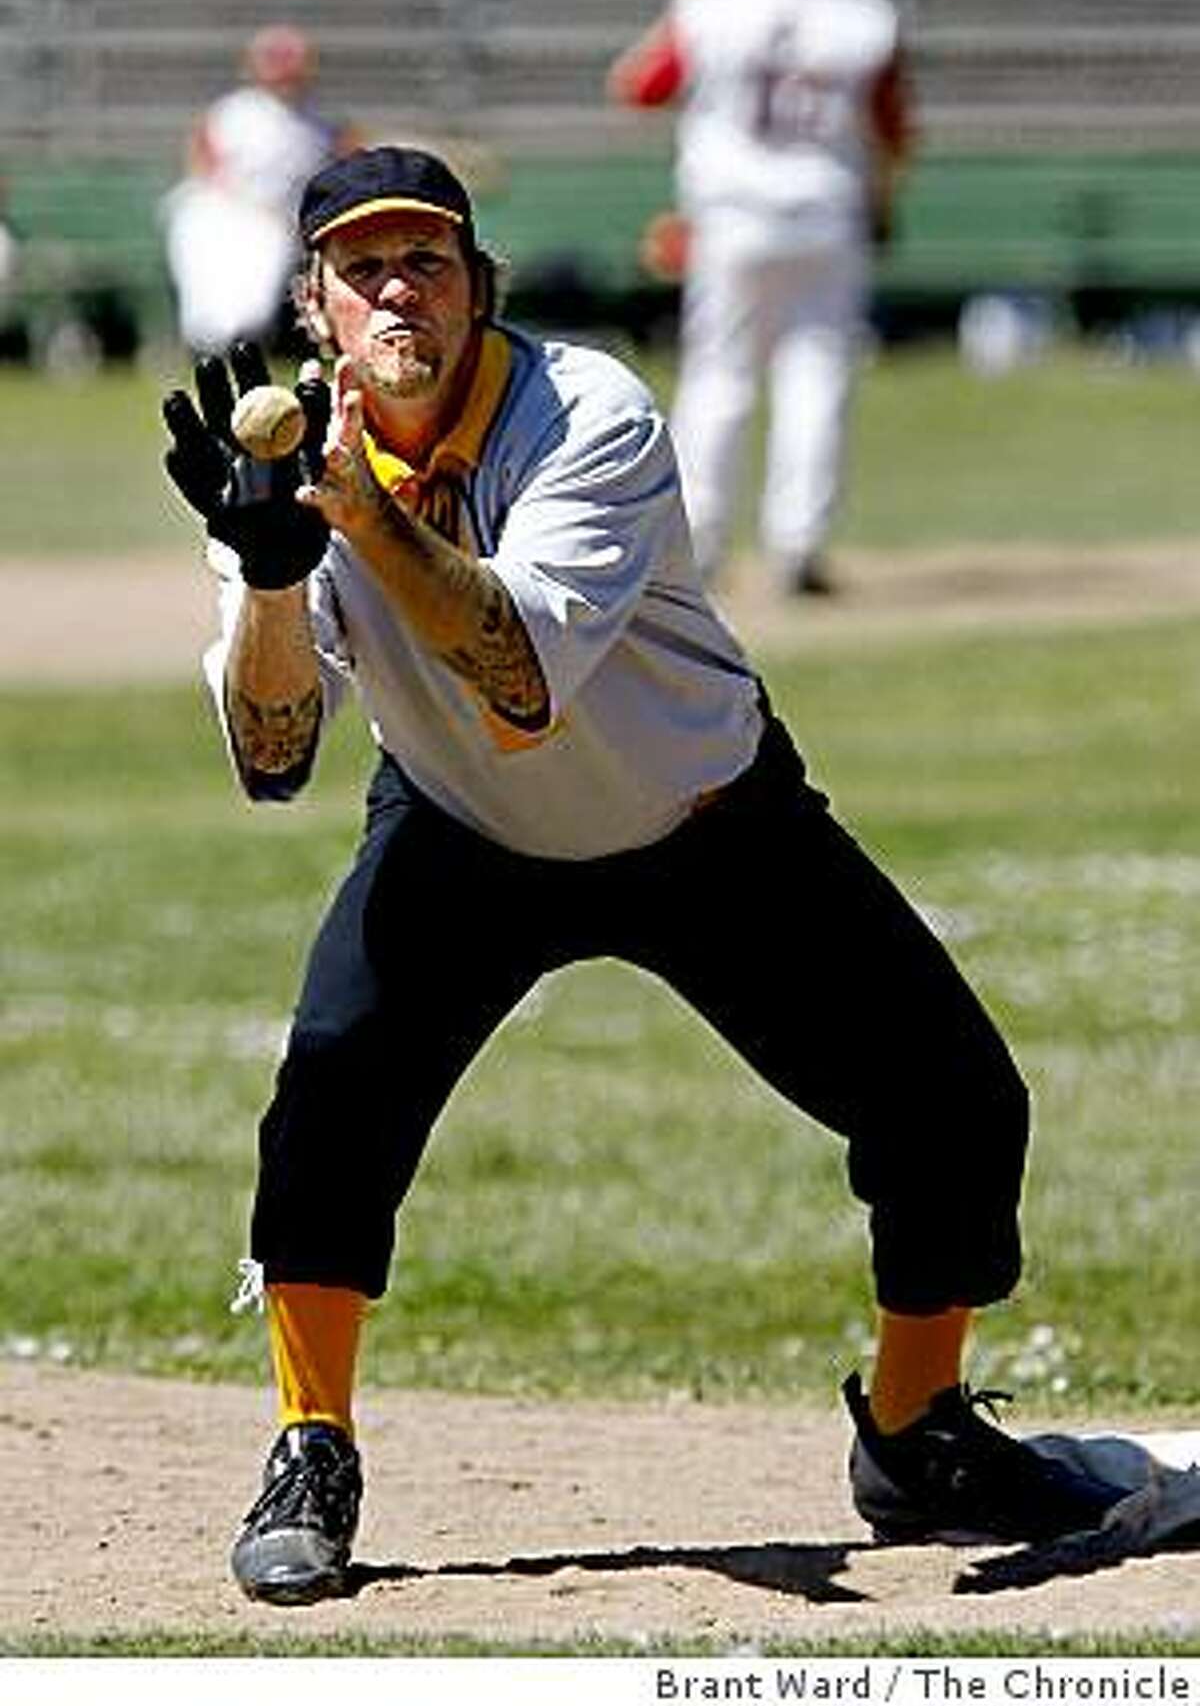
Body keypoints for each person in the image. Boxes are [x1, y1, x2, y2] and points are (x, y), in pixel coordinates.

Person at [161, 144, 1124, 1607]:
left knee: (955, 1102)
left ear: (478, 284)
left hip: (703, 818)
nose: (399, 290)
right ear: (316, 307)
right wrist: (277, 570)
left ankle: (918, 1431)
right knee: (332, 1094)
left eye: (427, 259)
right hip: (460, 829)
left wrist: (357, 516)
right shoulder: (285, 473)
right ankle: (311, 1445)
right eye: (362, 269)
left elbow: (520, 673)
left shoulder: (586, 412)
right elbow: (273, 754)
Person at [608, 0, 914, 597]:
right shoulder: (867, 17)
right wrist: (882, 203)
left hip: (731, 216)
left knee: (719, 375)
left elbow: (639, 86)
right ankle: (798, 545)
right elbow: (893, 129)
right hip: (826, 212)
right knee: (817, 375)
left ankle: (700, 543)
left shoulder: (708, 5)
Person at [160, 23, 358, 360]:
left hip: (275, 223)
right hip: (220, 209)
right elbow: (203, 161)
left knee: (257, 281)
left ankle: (239, 347)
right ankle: (207, 344)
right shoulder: (233, 112)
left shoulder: (321, 123)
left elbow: (347, 160)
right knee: (206, 264)